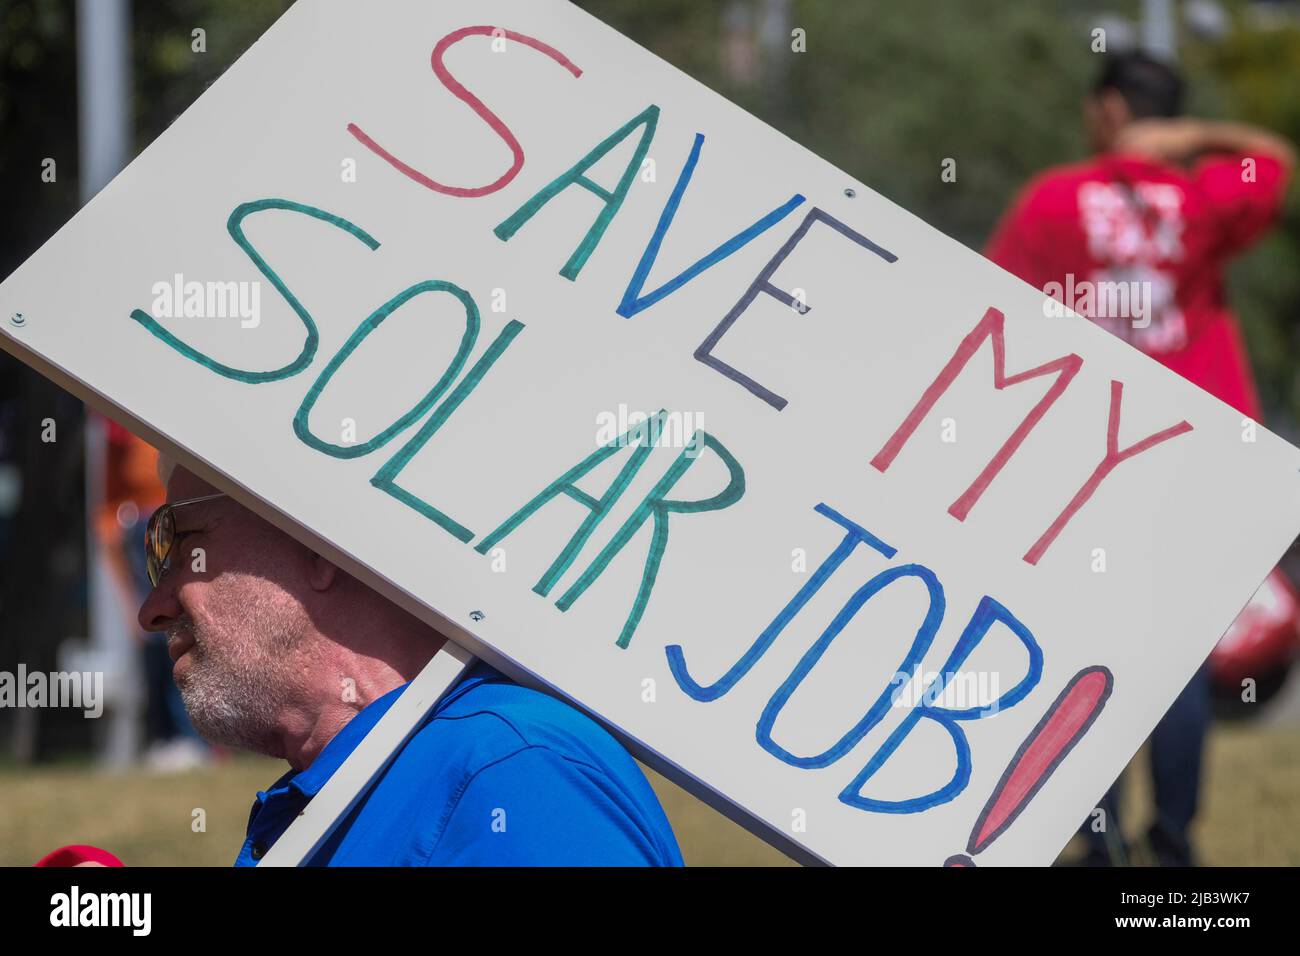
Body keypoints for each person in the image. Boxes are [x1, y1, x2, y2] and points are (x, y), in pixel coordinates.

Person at [985, 51, 1295, 866]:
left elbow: (998, 315)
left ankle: (1100, 835)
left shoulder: (1052, 198)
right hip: (1202, 459)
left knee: (1086, 649)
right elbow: (1275, 157)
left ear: (1110, 109)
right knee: (1181, 659)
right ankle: (1175, 840)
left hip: (1090, 455)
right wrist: (1189, 142)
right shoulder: (1201, 195)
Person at [136, 458, 684, 866]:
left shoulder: (511, 772)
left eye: (179, 543)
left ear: (316, 543)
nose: (152, 609)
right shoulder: (351, 790)